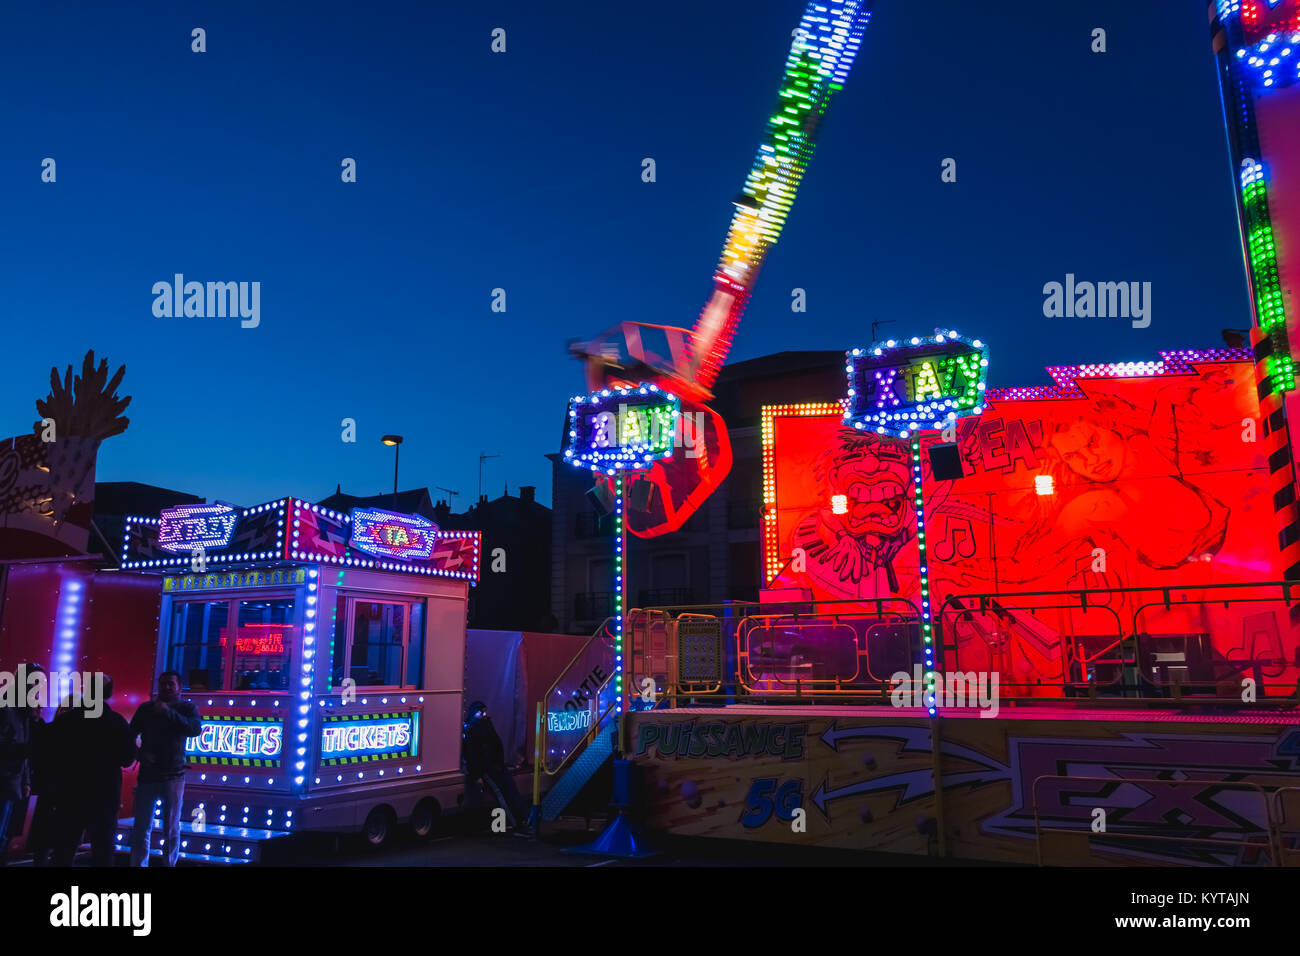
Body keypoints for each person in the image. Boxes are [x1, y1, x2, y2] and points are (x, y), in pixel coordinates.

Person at [52, 675, 136, 866]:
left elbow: (53, 752)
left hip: (70, 794)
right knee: (103, 852)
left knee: (63, 851)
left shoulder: (68, 720)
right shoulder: (116, 722)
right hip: (104, 796)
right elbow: (127, 758)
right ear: (108, 693)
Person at [129, 671, 200, 866]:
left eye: (171, 684)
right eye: (163, 684)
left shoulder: (187, 708)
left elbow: (195, 729)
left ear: (179, 687)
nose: (166, 688)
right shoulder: (146, 709)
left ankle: (168, 864)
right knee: (142, 826)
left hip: (173, 776)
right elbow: (129, 734)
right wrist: (139, 754)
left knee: (171, 828)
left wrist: (169, 713)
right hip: (149, 775)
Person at [462, 700, 527, 831]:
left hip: (495, 765)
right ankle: (515, 822)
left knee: (510, 789)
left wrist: (500, 763)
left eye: (484, 711)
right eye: (481, 712)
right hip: (485, 768)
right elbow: (472, 754)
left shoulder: (485, 724)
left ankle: (521, 818)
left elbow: (496, 744)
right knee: (501, 793)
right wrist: (477, 775)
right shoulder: (471, 729)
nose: (483, 714)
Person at [0, 695, 34, 866]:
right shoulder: (7, 711)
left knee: (6, 833)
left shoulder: (23, 715)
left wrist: (26, 780)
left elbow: (25, 751)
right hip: (6, 779)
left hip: (14, 781)